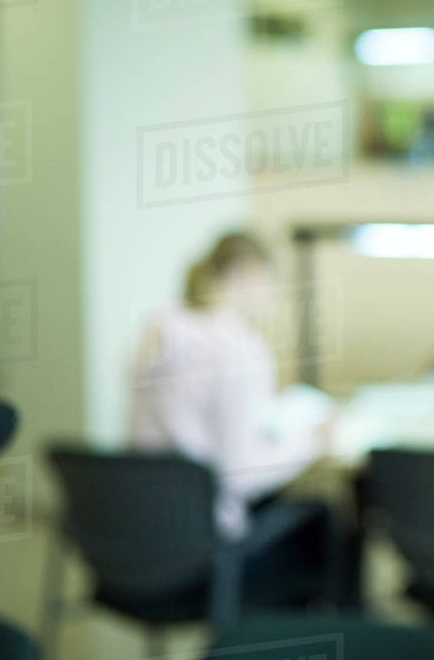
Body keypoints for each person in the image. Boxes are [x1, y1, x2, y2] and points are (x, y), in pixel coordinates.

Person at [129, 231, 360, 608]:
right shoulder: (239, 349)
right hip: (205, 559)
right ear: (250, 275)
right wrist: (315, 441)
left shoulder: (160, 328)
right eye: (270, 284)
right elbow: (241, 475)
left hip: (137, 542)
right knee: (331, 524)